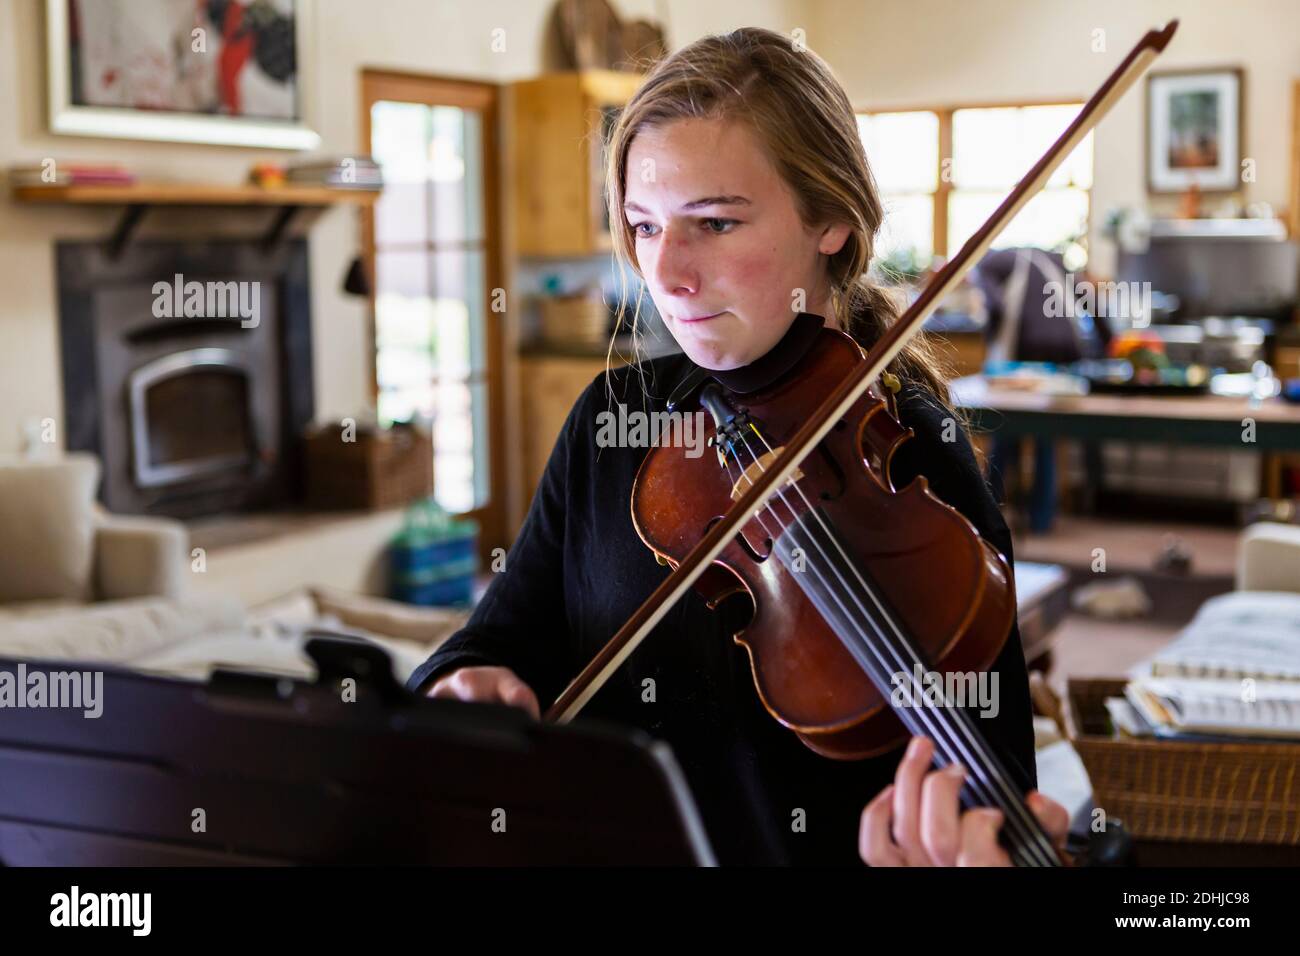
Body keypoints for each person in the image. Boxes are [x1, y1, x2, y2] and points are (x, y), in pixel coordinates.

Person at [408, 26, 1069, 866]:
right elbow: (497, 638)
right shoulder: (614, 421)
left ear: (832, 218)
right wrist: (463, 681)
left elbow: (992, 758)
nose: (667, 272)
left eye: (714, 223)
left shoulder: (906, 449)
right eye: (645, 226)